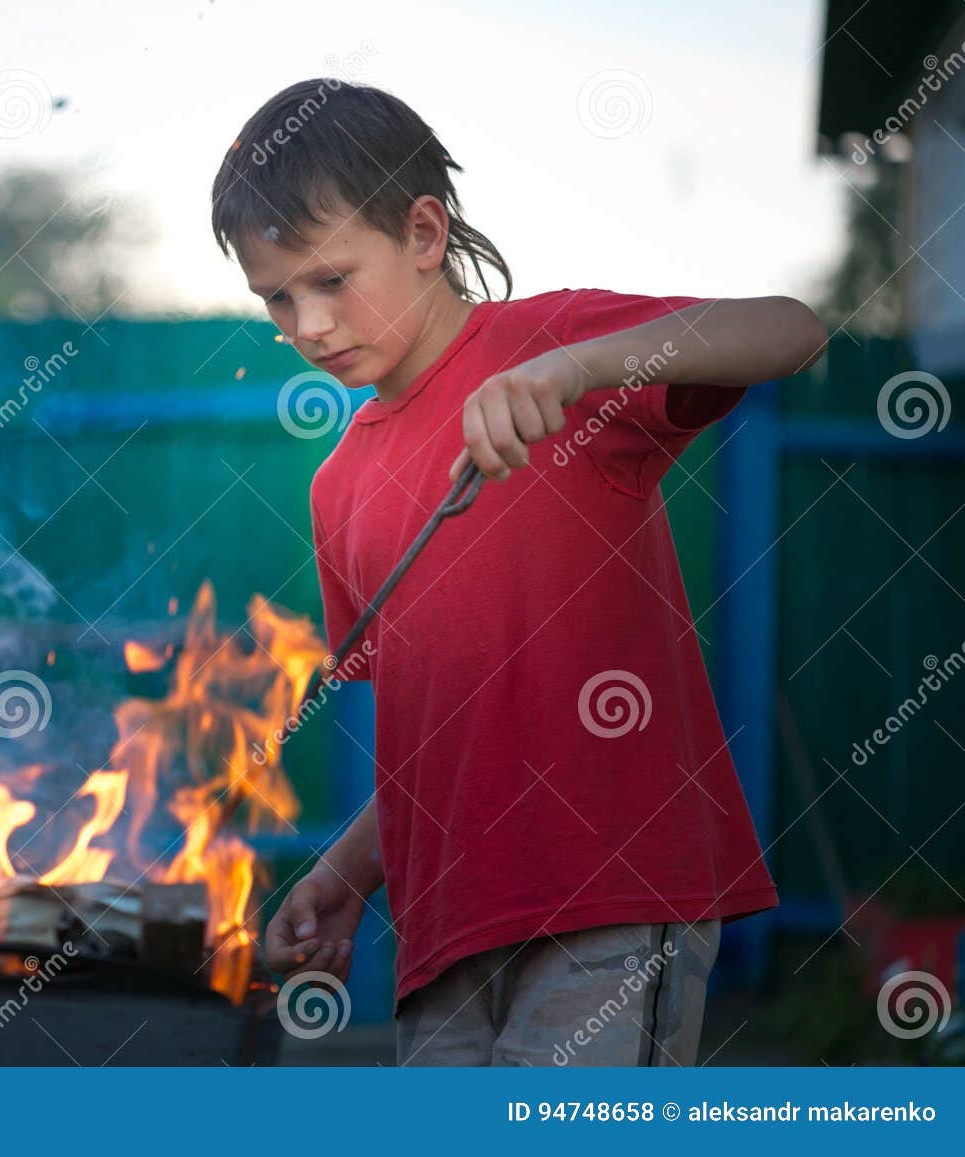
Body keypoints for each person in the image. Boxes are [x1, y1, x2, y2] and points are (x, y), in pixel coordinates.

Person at [210, 79, 826, 1066]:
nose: (308, 324)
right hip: (442, 934)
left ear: (422, 232)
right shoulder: (338, 487)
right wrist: (343, 872)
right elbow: (435, 739)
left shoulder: (552, 349)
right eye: (276, 296)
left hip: (612, 897)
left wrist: (582, 370)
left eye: (329, 279)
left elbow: (793, 328)